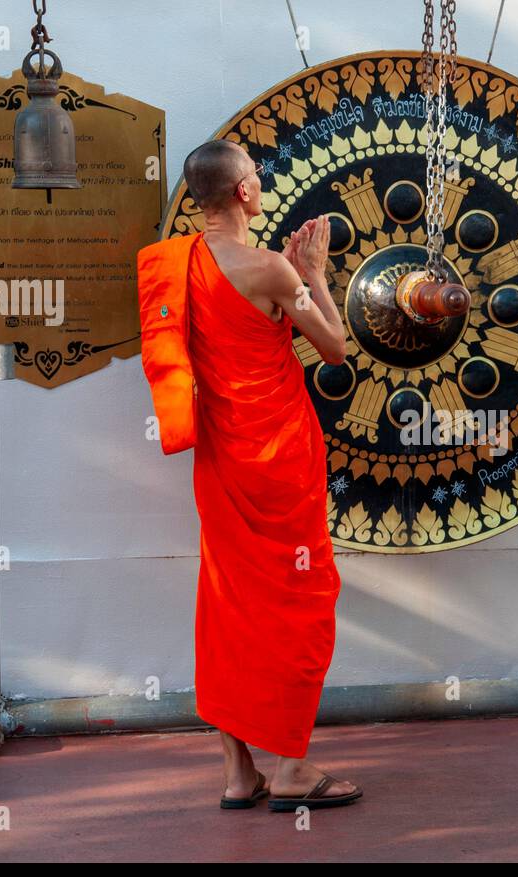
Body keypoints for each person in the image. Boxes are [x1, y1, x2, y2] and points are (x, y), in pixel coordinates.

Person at [136, 138, 361, 812]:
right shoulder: (270, 270)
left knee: (227, 604)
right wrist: (313, 272)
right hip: (280, 460)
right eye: (257, 179)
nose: (260, 187)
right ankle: (290, 767)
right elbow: (334, 349)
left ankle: (239, 772)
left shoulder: (179, 266)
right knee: (304, 601)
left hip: (222, 459)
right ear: (243, 193)